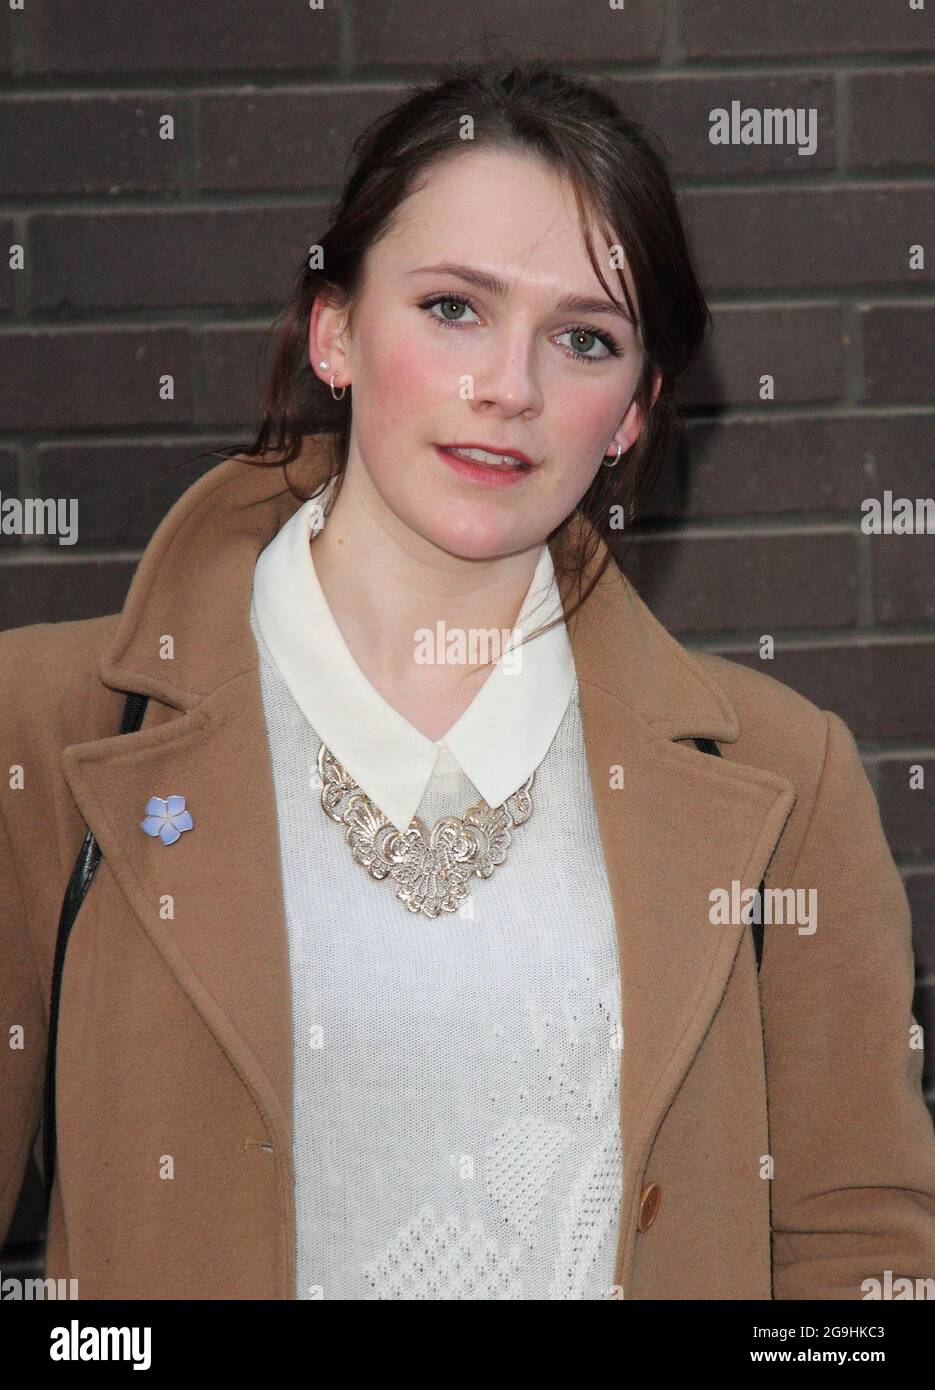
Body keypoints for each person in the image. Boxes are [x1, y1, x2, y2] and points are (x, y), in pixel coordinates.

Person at [2, 61, 934, 1301]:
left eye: (583, 338)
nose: (510, 386)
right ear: (333, 329)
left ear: (632, 415)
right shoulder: (47, 726)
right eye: (452, 307)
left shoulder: (783, 777)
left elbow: (858, 1251)